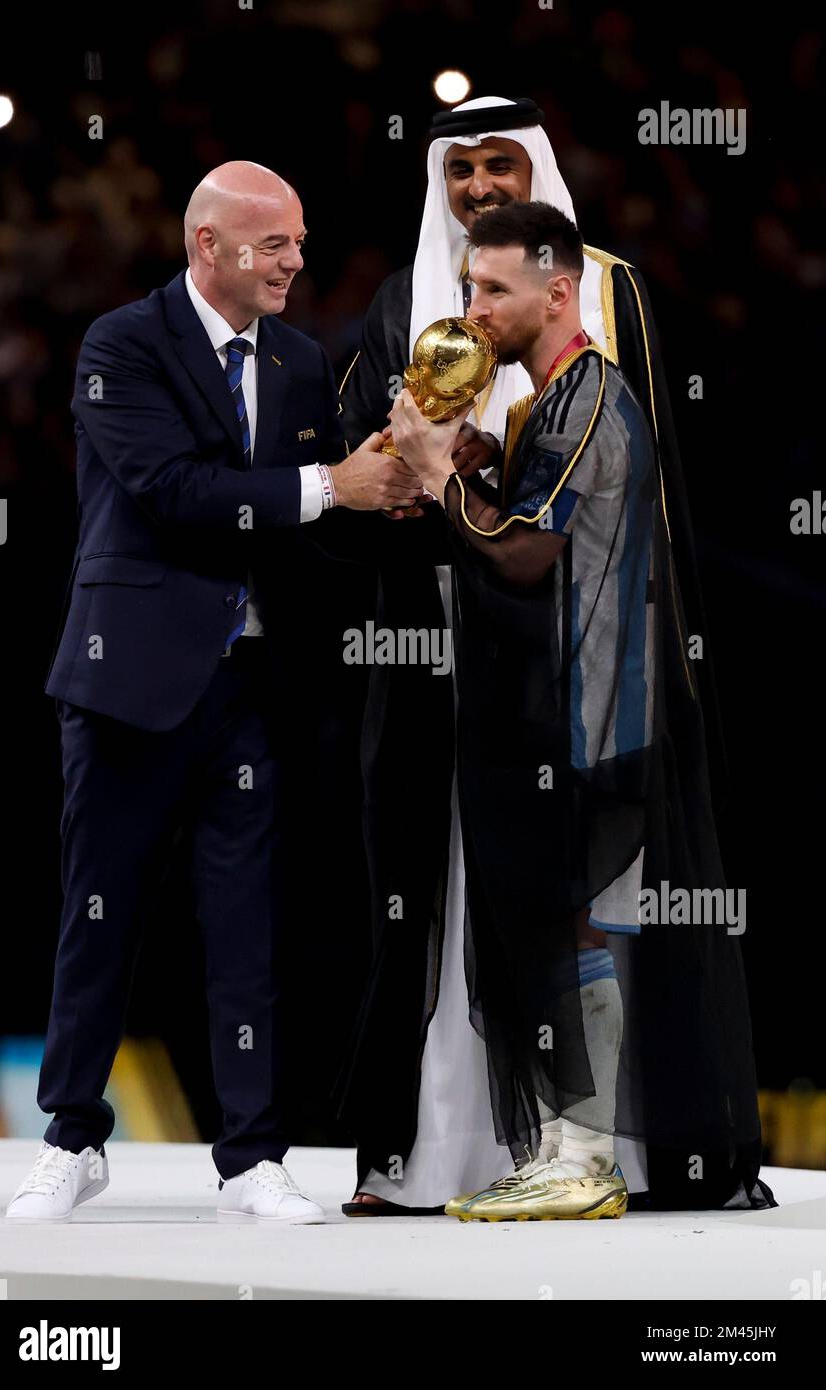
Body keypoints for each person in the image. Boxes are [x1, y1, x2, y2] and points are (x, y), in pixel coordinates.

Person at [336, 95, 733, 1215]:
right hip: (456, 657)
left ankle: (589, 1150)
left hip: (577, 659)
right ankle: (464, 1147)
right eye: (458, 173)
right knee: (478, 896)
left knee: (572, 901)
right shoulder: (394, 305)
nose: (474, 190)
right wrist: (394, 476)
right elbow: (369, 468)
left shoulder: (600, 331)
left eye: (497, 166)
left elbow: (565, 533)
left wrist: (454, 477)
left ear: (550, 288)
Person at [5, 161, 421, 1226]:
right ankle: (69, 1135)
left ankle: (250, 1154)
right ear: (208, 245)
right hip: (128, 676)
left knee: (246, 920)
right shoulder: (121, 345)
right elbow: (174, 492)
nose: (295, 261)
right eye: (274, 242)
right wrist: (332, 484)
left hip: (249, 680)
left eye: (298, 240)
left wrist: (390, 488)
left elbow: (302, 523)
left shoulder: (296, 359)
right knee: (101, 910)